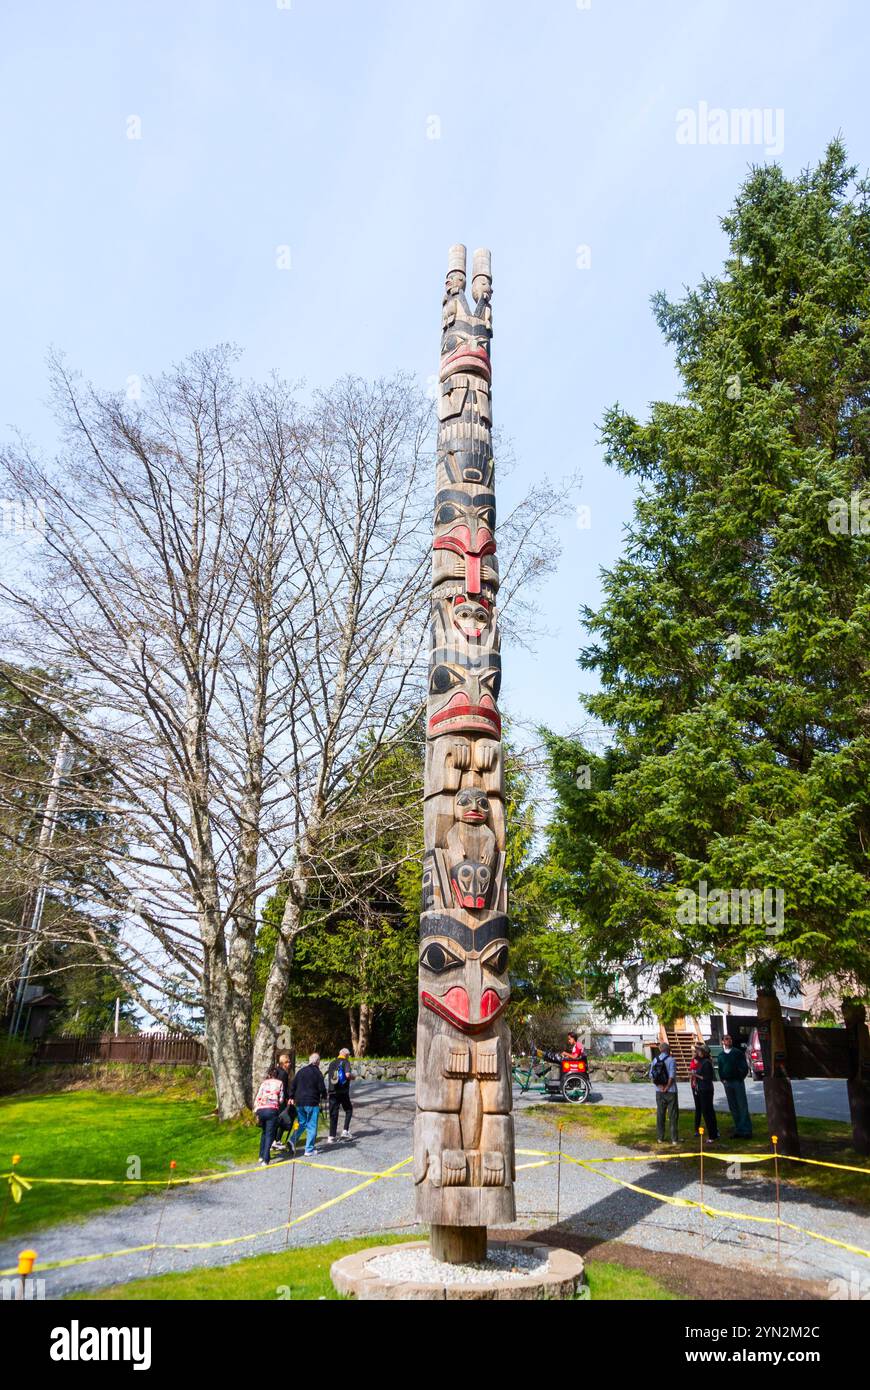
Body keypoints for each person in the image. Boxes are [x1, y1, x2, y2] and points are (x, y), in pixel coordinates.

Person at [288, 1051, 327, 1156]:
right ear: (318, 1062)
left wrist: (291, 1096)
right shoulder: (317, 1073)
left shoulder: (301, 1071)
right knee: (312, 1125)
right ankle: (309, 1149)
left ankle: (292, 1140)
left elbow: (293, 1085)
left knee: (302, 1123)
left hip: (299, 1102)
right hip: (312, 1102)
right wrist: (324, 1095)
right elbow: (322, 1088)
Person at [717, 1033, 753, 1138]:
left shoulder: (737, 1053)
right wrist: (722, 1079)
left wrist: (740, 1077)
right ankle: (738, 1129)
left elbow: (744, 1067)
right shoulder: (721, 1056)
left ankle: (746, 1130)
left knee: (742, 1105)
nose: (729, 1040)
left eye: (730, 1038)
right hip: (727, 1083)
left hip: (737, 1082)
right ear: (723, 1041)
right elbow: (720, 1068)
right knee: (733, 1106)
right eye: (726, 1039)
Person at [253, 1065, 285, 1165]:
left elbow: (258, 1097)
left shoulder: (264, 1083)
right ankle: (266, 1159)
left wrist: (256, 1111)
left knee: (264, 1132)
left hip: (261, 1110)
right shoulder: (280, 1083)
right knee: (270, 1134)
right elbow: (281, 1099)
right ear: (277, 1075)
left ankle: (261, 1155)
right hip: (272, 1110)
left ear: (269, 1075)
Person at [649, 1042, 679, 1144]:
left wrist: (660, 1087)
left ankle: (660, 1138)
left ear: (660, 1050)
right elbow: (672, 1076)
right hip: (671, 1091)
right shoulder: (671, 1060)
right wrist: (667, 1087)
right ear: (668, 1050)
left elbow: (651, 1075)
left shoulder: (655, 1060)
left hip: (659, 1091)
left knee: (660, 1114)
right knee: (673, 1115)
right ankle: (674, 1138)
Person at [326, 1048, 355, 1143]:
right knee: (349, 1109)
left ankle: (331, 1136)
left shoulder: (332, 1063)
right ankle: (345, 1131)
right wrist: (353, 1077)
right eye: (349, 1055)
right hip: (342, 1091)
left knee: (333, 1113)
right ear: (346, 1055)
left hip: (332, 1092)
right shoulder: (346, 1062)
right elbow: (347, 1075)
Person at [693, 1044, 720, 1142]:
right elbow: (695, 1056)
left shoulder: (706, 1063)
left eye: (700, 1051)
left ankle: (712, 1135)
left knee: (707, 1112)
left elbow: (707, 1078)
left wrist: (696, 1075)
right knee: (708, 1111)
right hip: (702, 1089)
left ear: (704, 1053)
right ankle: (714, 1133)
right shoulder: (702, 1061)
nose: (698, 1052)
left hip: (706, 1089)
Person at [273, 1050, 298, 1155]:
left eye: (289, 1062)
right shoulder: (283, 1074)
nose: (290, 1063)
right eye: (287, 1062)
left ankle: (275, 1140)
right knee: (284, 1119)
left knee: (279, 1121)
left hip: (276, 1100)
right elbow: (282, 1088)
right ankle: (277, 1140)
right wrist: (289, 1098)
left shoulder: (277, 1071)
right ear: (283, 1063)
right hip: (281, 1101)